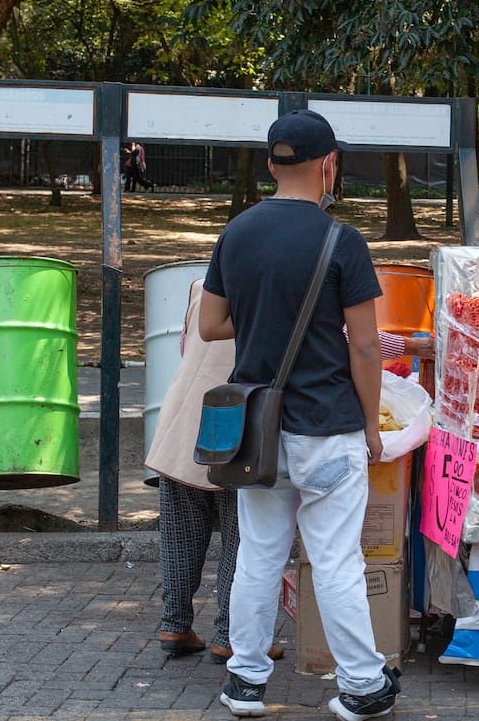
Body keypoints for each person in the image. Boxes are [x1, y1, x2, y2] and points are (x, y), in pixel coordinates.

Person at [200, 109, 402, 720]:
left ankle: (245, 683)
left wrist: (266, 319)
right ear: (329, 164)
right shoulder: (343, 242)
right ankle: (363, 686)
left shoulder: (236, 232)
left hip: (257, 434)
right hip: (328, 428)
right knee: (336, 561)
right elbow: (366, 345)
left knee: (259, 555)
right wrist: (371, 423)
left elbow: (210, 325)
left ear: (270, 164)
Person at [146, 279, 285, 666]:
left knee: (179, 532)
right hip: (240, 421)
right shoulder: (279, 287)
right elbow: (343, 339)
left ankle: (174, 624)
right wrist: (409, 345)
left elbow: (186, 346)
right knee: (241, 535)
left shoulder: (197, 286)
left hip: (184, 416)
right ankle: (229, 634)